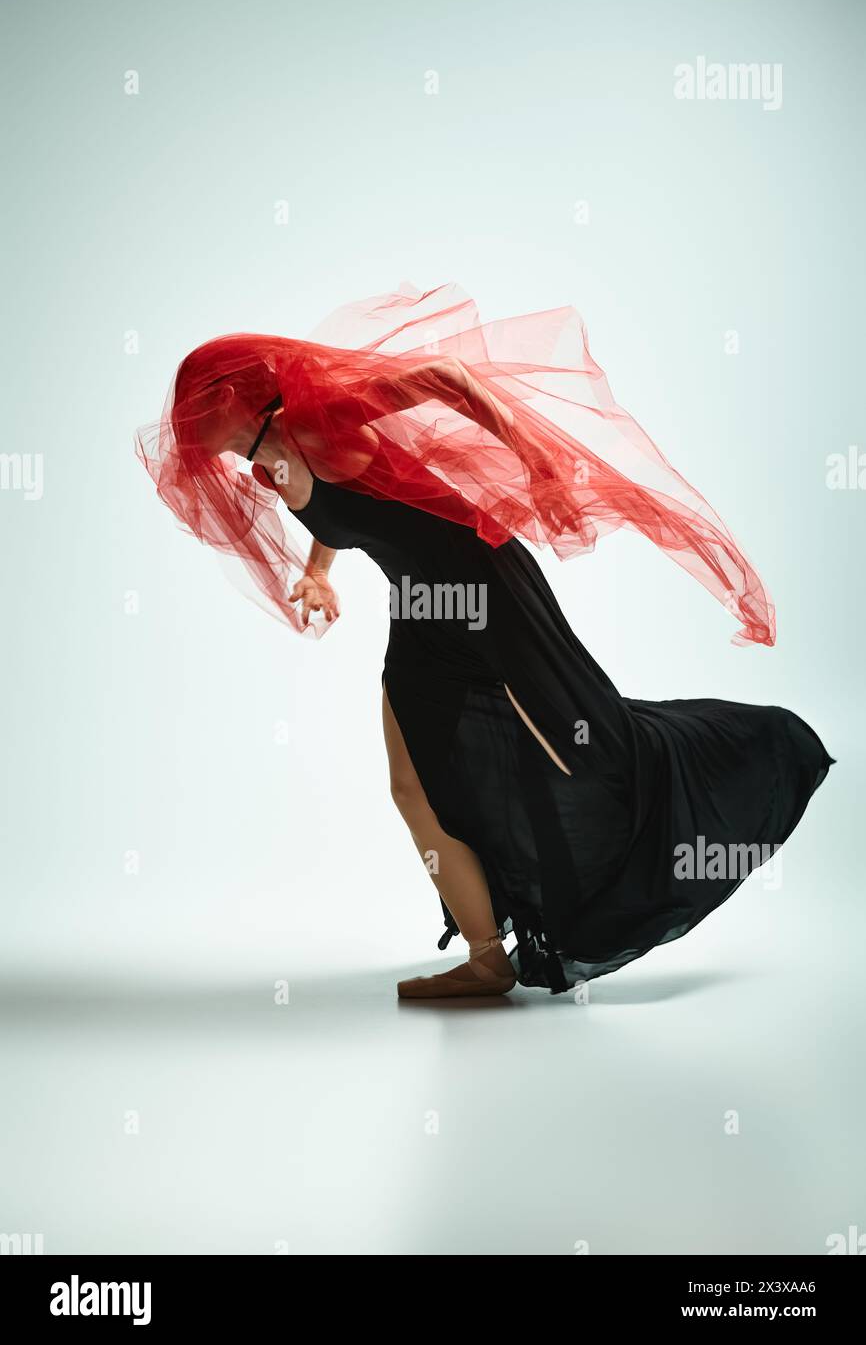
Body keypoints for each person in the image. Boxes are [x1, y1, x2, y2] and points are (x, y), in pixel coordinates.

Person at [136, 282, 833, 998]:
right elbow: (348, 509)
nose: (182, 426)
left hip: (484, 586)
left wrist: (538, 466)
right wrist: (320, 573)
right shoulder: (268, 460)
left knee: (583, 747)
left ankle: (759, 753)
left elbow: (448, 379)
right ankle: (486, 960)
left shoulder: (323, 415)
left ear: (228, 398)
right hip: (423, 607)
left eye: (193, 402)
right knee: (411, 785)